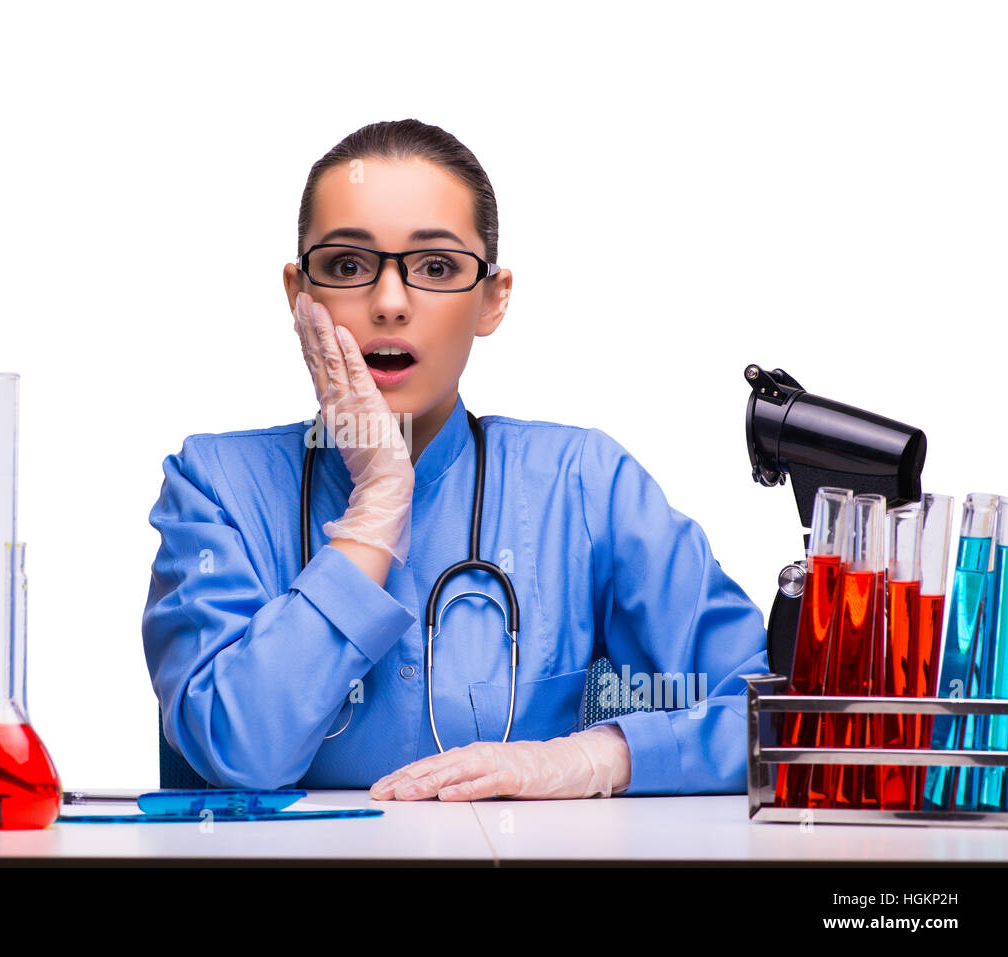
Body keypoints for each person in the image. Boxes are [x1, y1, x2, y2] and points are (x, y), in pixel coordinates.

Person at [142, 118, 768, 801]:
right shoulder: (214, 487)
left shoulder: (584, 485)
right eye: (348, 266)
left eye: (435, 267)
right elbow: (239, 749)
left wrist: (599, 755)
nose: (388, 303)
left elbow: (770, 714)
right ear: (300, 294)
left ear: (492, 299)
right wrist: (377, 503)